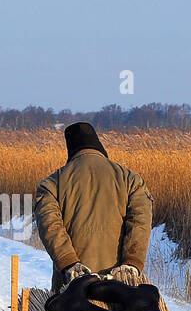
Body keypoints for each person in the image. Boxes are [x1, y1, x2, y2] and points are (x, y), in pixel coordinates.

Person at [33, 122, 153, 293]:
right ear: (97, 143)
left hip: (72, 290)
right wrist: (131, 264)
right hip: (120, 289)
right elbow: (140, 223)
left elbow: (50, 227)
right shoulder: (131, 180)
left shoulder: (52, 184)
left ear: (70, 147)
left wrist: (70, 264)